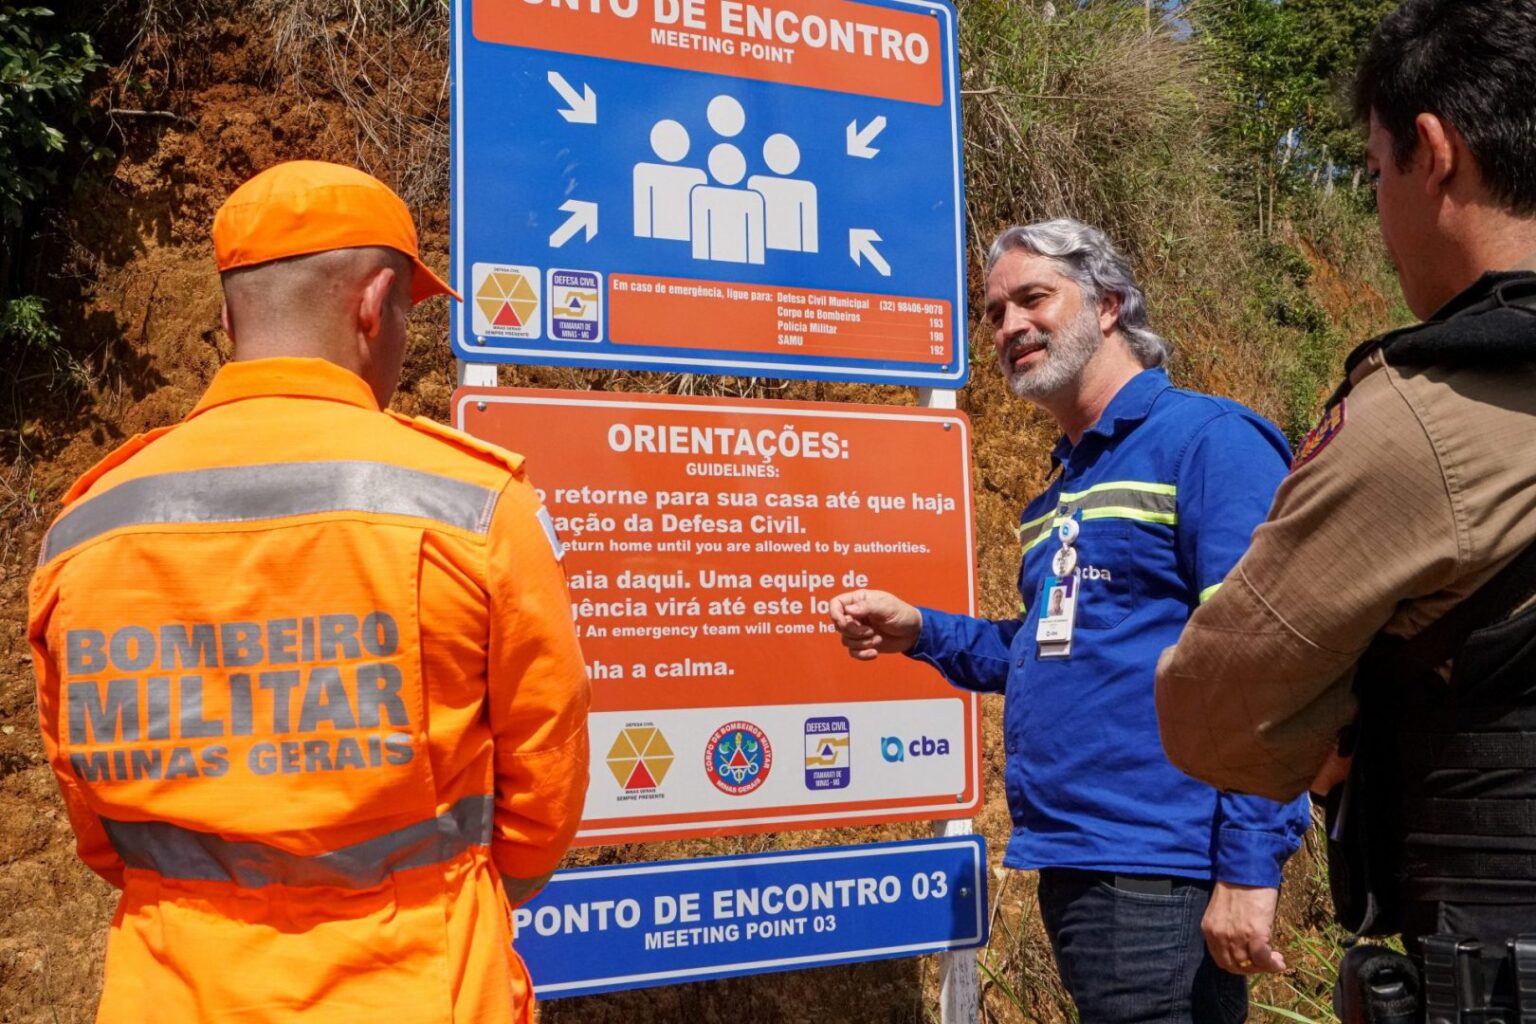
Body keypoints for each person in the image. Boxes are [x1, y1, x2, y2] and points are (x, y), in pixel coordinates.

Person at [27, 160, 590, 1023]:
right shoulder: (471, 506)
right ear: (373, 305)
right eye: (407, 310)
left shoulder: (88, 526)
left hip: (169, 991)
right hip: (417, 983)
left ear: (224, 317)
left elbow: (95, 820)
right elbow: (542, 789)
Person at [830, 219, 1310, 1023]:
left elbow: (1269, 662)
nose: (1010, 325)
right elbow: (1048, 648)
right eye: (993, 312)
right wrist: (924, 632)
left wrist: (1250, 869)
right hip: (1077, 861)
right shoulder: (1055, 498)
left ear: (1110, 304)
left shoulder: (1206, 444)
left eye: (1033, 298)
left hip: (1162, 864)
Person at [1156, 0, 1536, 994]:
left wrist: (1346, 726)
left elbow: (1212, 709)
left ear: (1435, 151)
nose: (1377, 209)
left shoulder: (1423, 417)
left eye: (1373, 173)